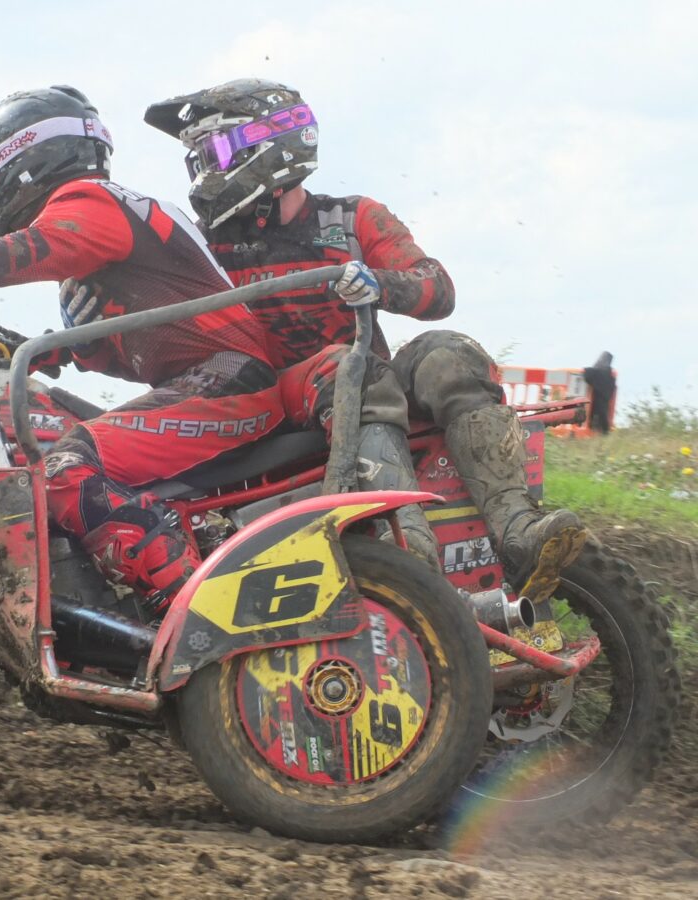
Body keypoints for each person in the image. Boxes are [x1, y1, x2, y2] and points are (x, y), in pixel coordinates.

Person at [132, 79, 585, 590]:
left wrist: (378, 284)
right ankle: (407, 551)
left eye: (212, 151)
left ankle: (518, 528)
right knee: (354, 366)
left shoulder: (351, 218)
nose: (203, 170)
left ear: (266, 146)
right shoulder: (200, 248)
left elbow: (438, 289)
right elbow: (154, 328)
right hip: (277, 403)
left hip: (371, 387)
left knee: (447, 354)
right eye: (198, 158)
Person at [0, 85, 282, 617]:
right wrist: (38, 352)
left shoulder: (90, 202)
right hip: (210, 383)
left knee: (59, 465)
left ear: (22, 157)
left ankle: (196, 611)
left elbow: (39, 248)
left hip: (226, 384)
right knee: (51, 429)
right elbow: (130, 341)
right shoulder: (113, 223)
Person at [583, 352, 616, 434]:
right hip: (604, 402)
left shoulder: (597, 372)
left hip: (595, 401)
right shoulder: (610, 375)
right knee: (602, 420)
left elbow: (587, 375)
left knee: (595, 419)